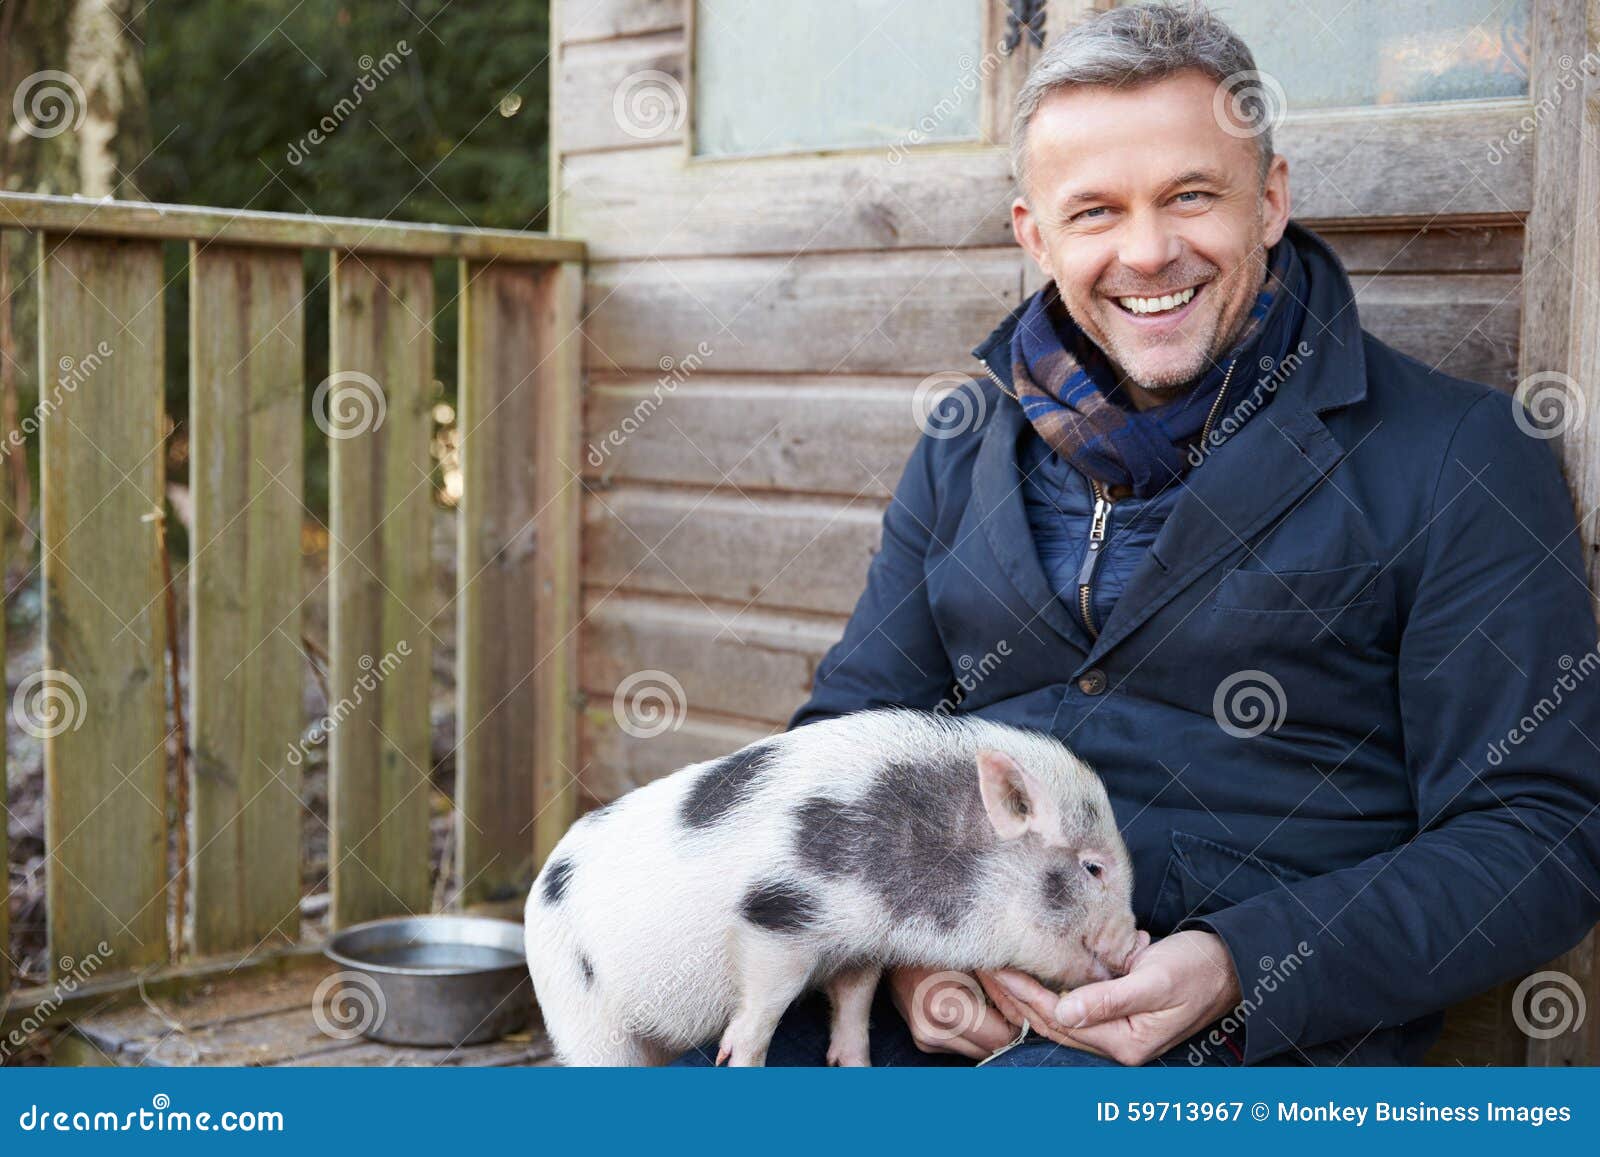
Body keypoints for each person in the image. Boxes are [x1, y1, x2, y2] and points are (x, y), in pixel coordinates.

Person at [676, 1, 1600, 1067]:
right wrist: (901, 952)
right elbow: (846, 736)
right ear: (1035, 235)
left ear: (1270, 200)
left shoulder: (1456, 454)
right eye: (1095, 211)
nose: (1149, 251)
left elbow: (1540, 835)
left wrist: (1241, 964)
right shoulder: (966, 438)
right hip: (932, 980)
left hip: (1254, 1042)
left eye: (1190, 195)